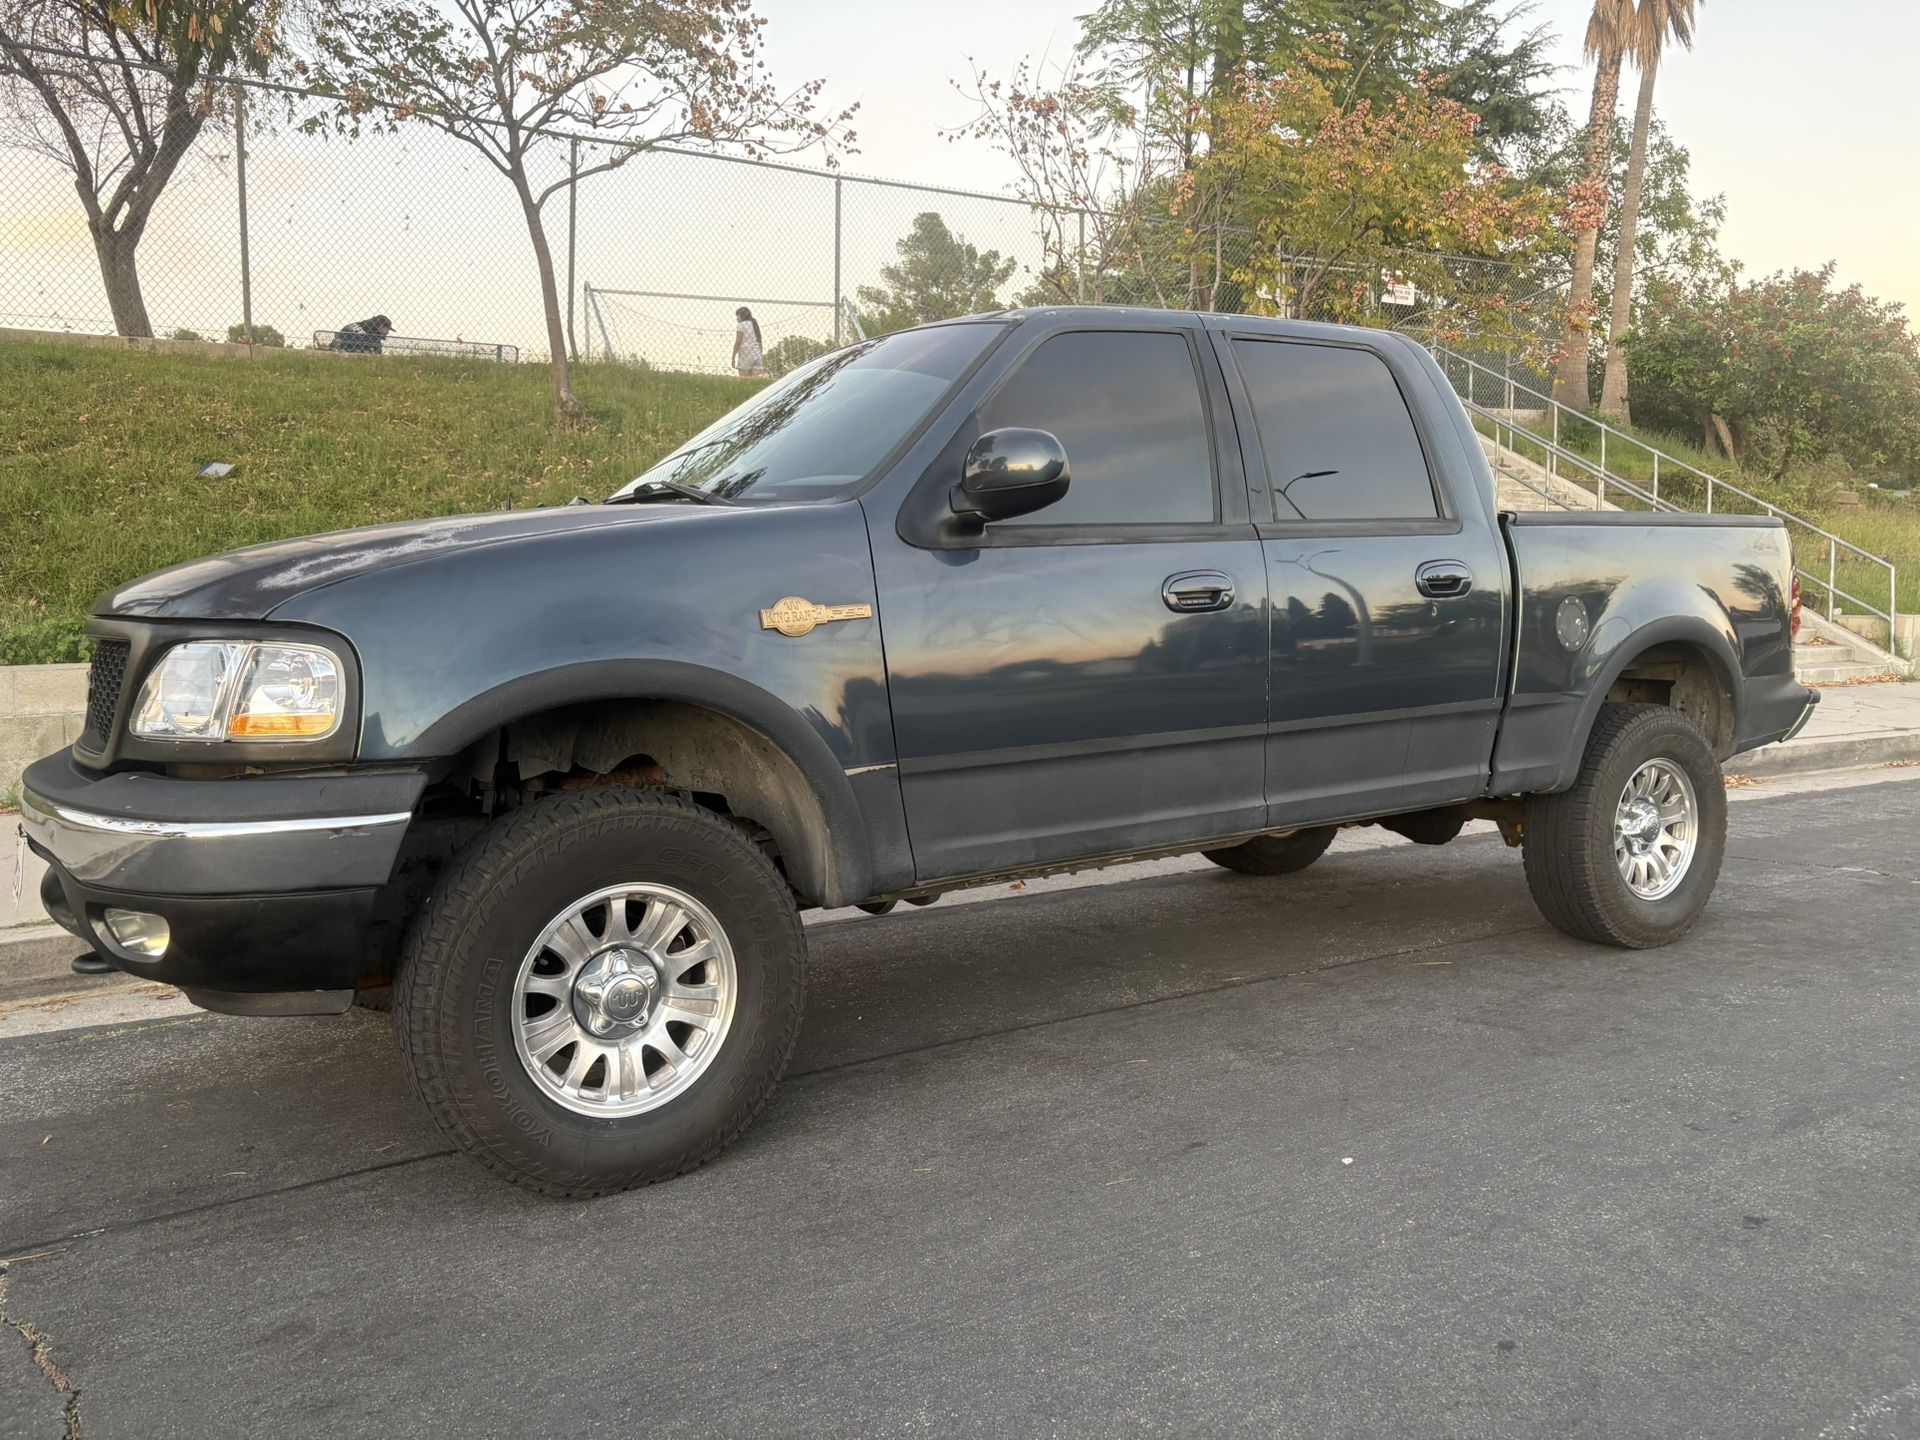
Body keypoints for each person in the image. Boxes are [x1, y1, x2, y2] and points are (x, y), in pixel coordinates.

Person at [732, 306, 765, 377]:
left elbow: (738, 342)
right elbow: (759, 340)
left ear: (741, 316)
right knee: (754, 381)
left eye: (737, 316)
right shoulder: (754, 324)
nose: (736, 318)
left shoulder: (741, 325)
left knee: (744, 380)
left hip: (745, 355)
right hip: (757, 354)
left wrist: (733, 357)